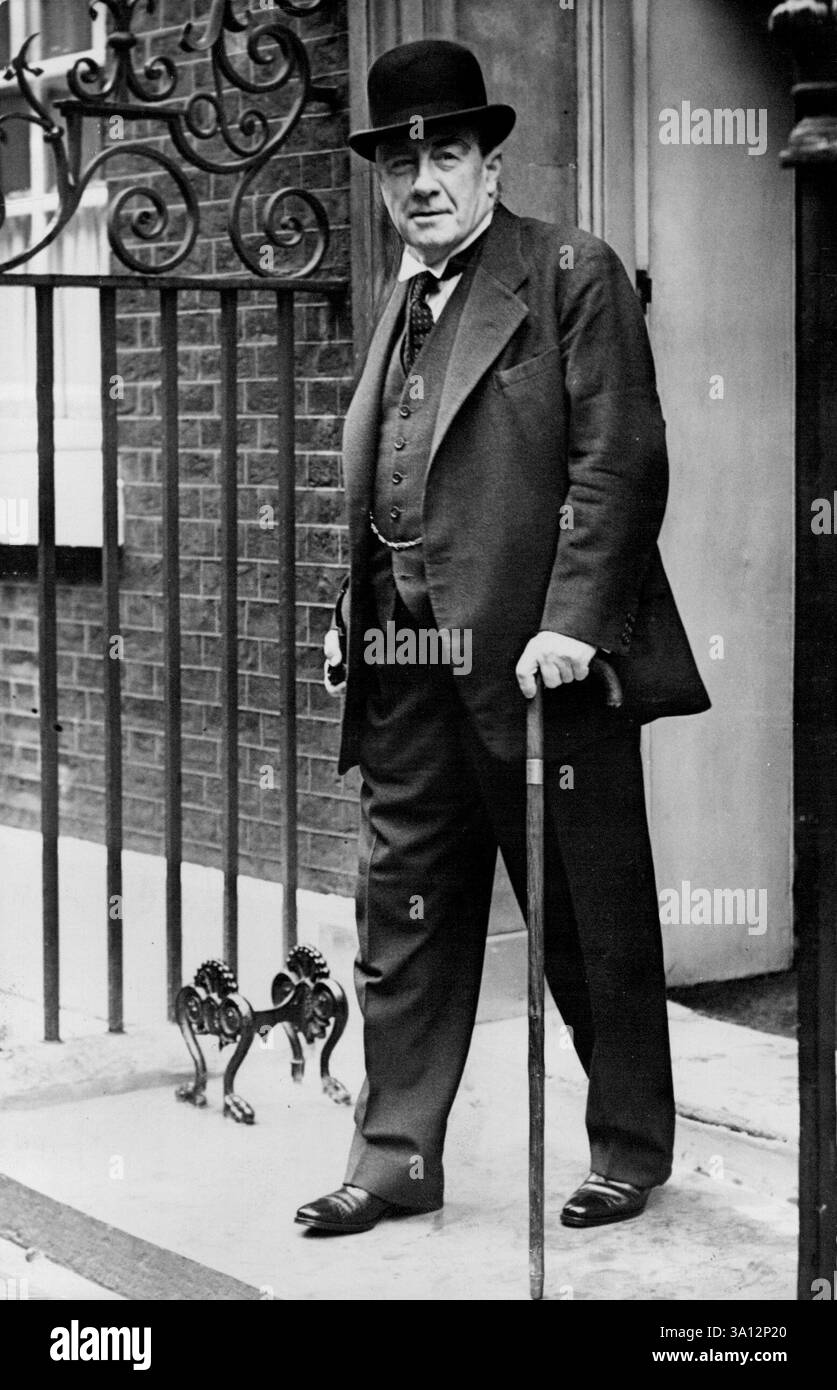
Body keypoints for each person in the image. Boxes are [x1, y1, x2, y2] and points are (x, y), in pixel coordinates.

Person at [296, 39, 710, 1236]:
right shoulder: (400, 302)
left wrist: (577, 623)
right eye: (399, 162)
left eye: (445, 152)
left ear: (488, 163)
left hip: (542, 664)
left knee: (589, 917)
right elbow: (389, 487)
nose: (420, 178)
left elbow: (621, 459)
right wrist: (351, 627)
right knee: (406, 918)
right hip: (411, 670)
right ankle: (395, 1157)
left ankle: (630, 1144)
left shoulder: (568, 271)